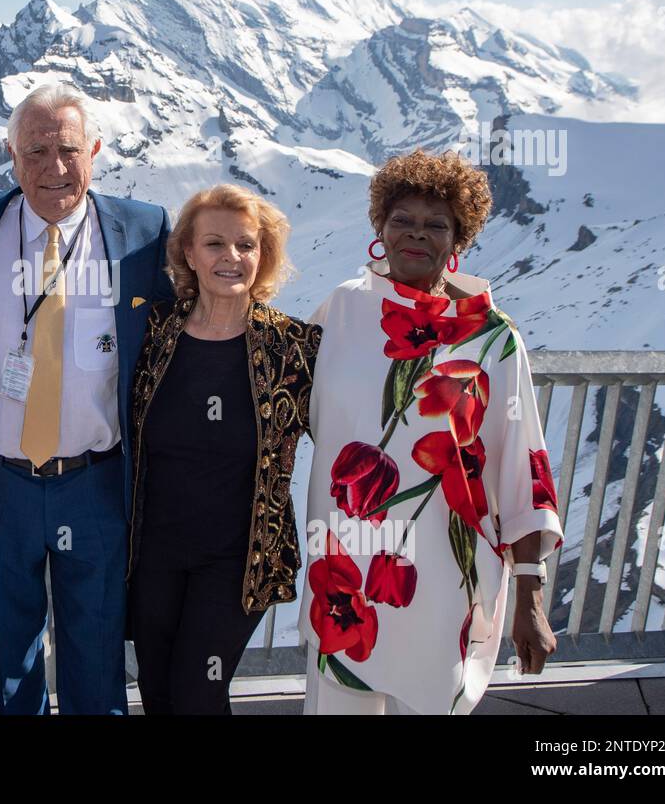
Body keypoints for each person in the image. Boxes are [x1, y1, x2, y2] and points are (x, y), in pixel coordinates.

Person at [0, 83, 176, 714]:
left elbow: (179, 340)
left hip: (94, 483)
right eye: (35, 152)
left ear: (95, 150)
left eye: (68, 149)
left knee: (95, 656)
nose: (54, 168)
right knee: (11, 661)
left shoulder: (143, 233)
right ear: (11, 158)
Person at [302, 148, 562, 715]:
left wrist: (530, 595)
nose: (416, 235)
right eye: (403, 221)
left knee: (430, 699)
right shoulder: (339, 312)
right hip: (345, 564)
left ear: (458, 240)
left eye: (435, 225)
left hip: (443, 569)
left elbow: (523, 465)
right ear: (380, 227)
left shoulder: (492, 339)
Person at [128, 184, 321, 714]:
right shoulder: (153, 332)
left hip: (240, 559)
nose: (231, 258)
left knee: (199, 693)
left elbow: (352, 426)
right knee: (159, 692)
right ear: (188, 252)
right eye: (214, 244)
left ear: (264, 256)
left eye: (246, 245)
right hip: (154, 555)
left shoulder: (294, 349)